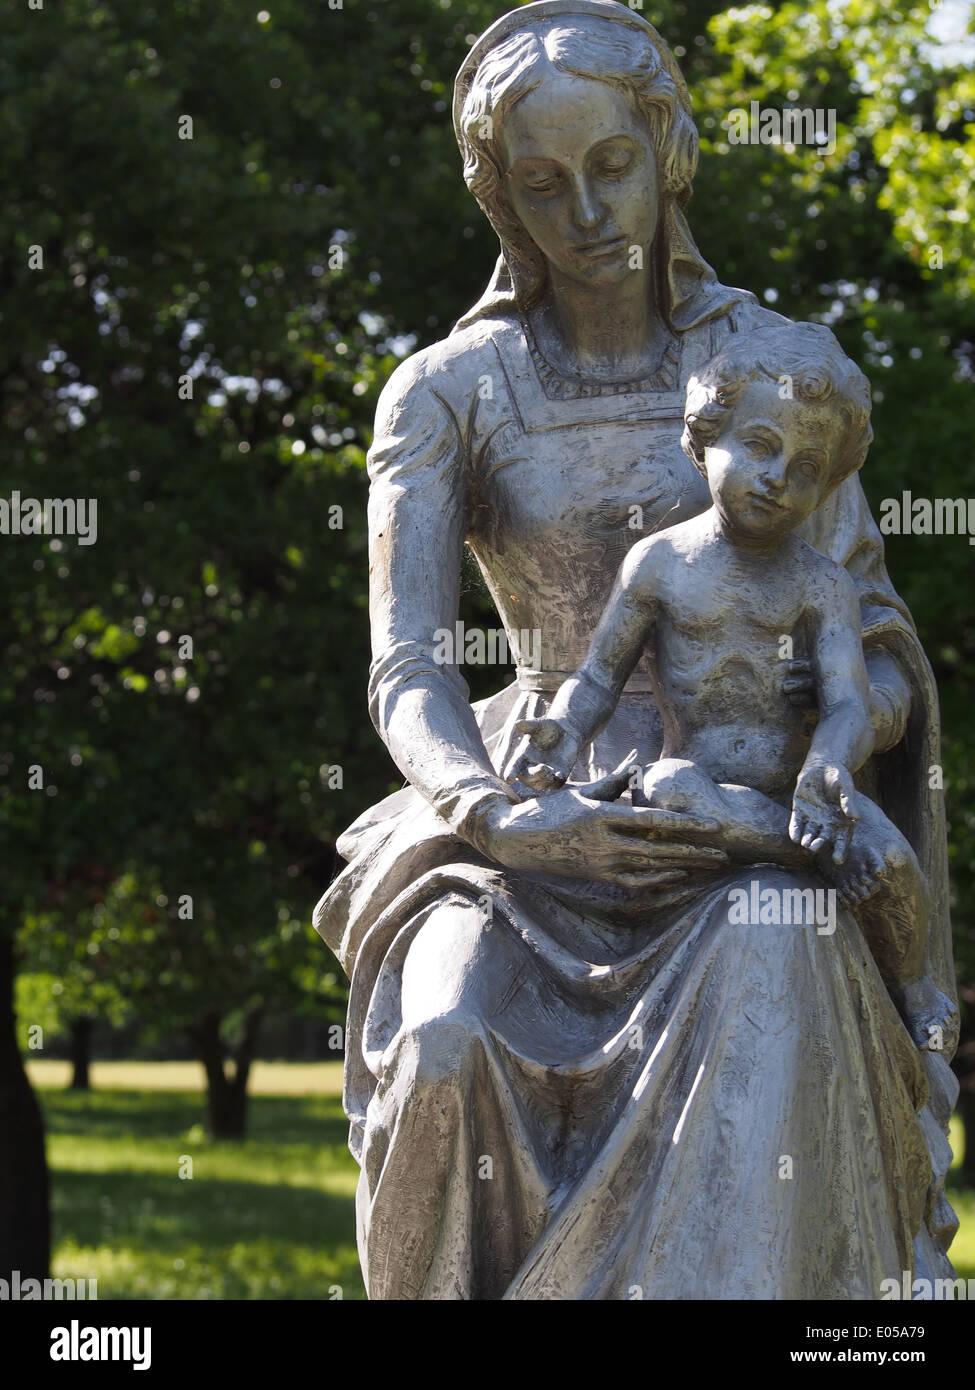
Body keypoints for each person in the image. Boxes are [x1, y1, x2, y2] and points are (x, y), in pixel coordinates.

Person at [314, 0, 958, 1299]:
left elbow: (875, 646)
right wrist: (495, 816)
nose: (585, 212)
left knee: (773, 952)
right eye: (539, 183)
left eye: (608, 165)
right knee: (440, 1040)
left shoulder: (773, 375)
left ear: (661, 147)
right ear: (498, 197)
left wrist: (836, 744)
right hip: (516, 819)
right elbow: (406, 668)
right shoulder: (446, 392)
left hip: (735, 832)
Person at [509, 320, 957, 1053]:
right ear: (703, 438)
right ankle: (794, 851)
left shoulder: (820, 585)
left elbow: (847, 703)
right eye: (757, 445)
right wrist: (562, 734)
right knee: (672, 792)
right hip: (701, 783)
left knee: (892, 864)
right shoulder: (657, 566)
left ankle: (915, 990)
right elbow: (595, 678)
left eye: (807, 466)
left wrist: (826, 765)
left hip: (797, 796)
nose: (778, 476)